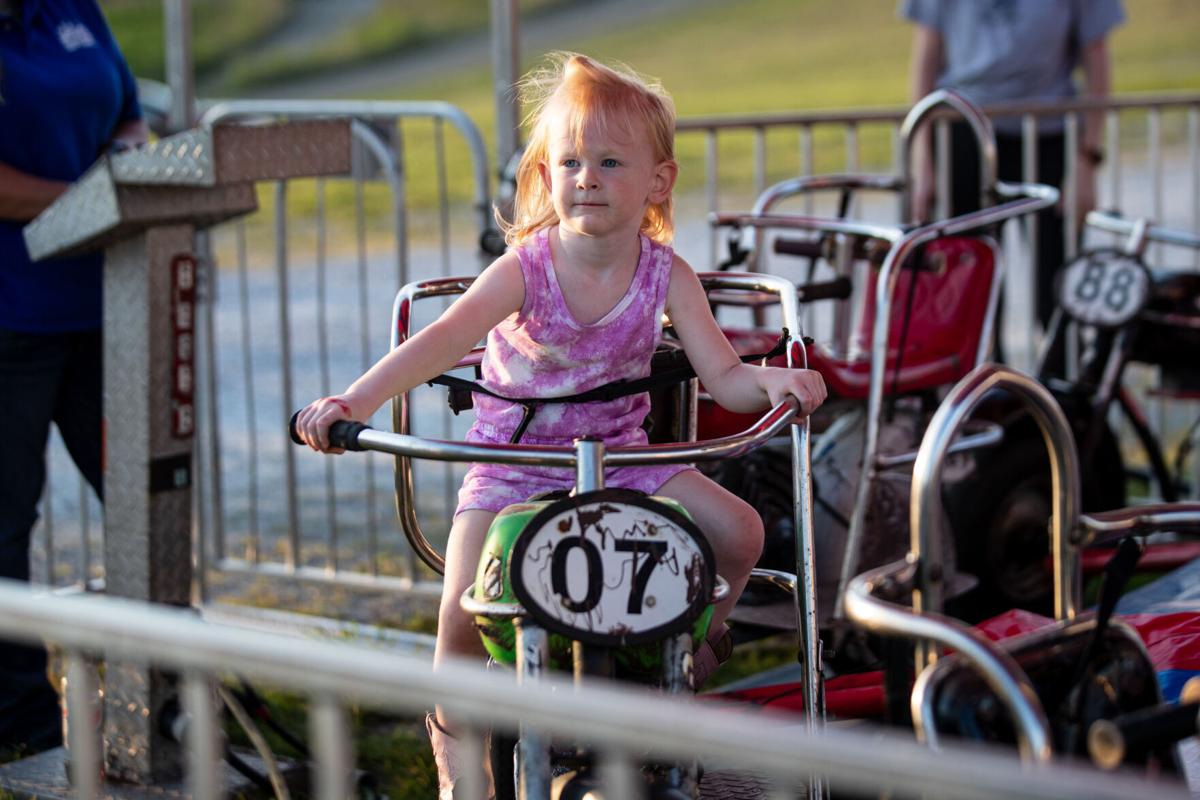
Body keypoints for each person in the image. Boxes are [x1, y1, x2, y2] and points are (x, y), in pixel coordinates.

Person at [293, 52, 827, 797]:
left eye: (611, 162)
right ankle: (456, 746)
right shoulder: (527, 267)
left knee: (741, 532)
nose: (588, 178)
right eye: (570, 161)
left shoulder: (665, 273)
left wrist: (778, 379)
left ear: (657, 181)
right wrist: (355, 401)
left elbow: (726, 379)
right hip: (516, 461)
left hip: (623, 456)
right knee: (461, 611)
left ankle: (695, 643)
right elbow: (442, 340)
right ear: (546, 175)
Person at [0, 0, 146, 758]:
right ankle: (19, 723)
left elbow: (125, 104)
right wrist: (94, 203)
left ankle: (154, 701)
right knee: (3, 526)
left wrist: (126, 160)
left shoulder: (69, 6)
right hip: (8, 319)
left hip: (100, 308)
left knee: (143, 503)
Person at [901, 0, 1125, 328]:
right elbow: (926, 55)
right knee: (971, 287)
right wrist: (924, 163)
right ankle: (982, 378)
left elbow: (1097, 55)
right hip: (964, 131)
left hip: (1049, 132)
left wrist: (1086, 160)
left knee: (1058, 285)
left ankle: (1055, 375)